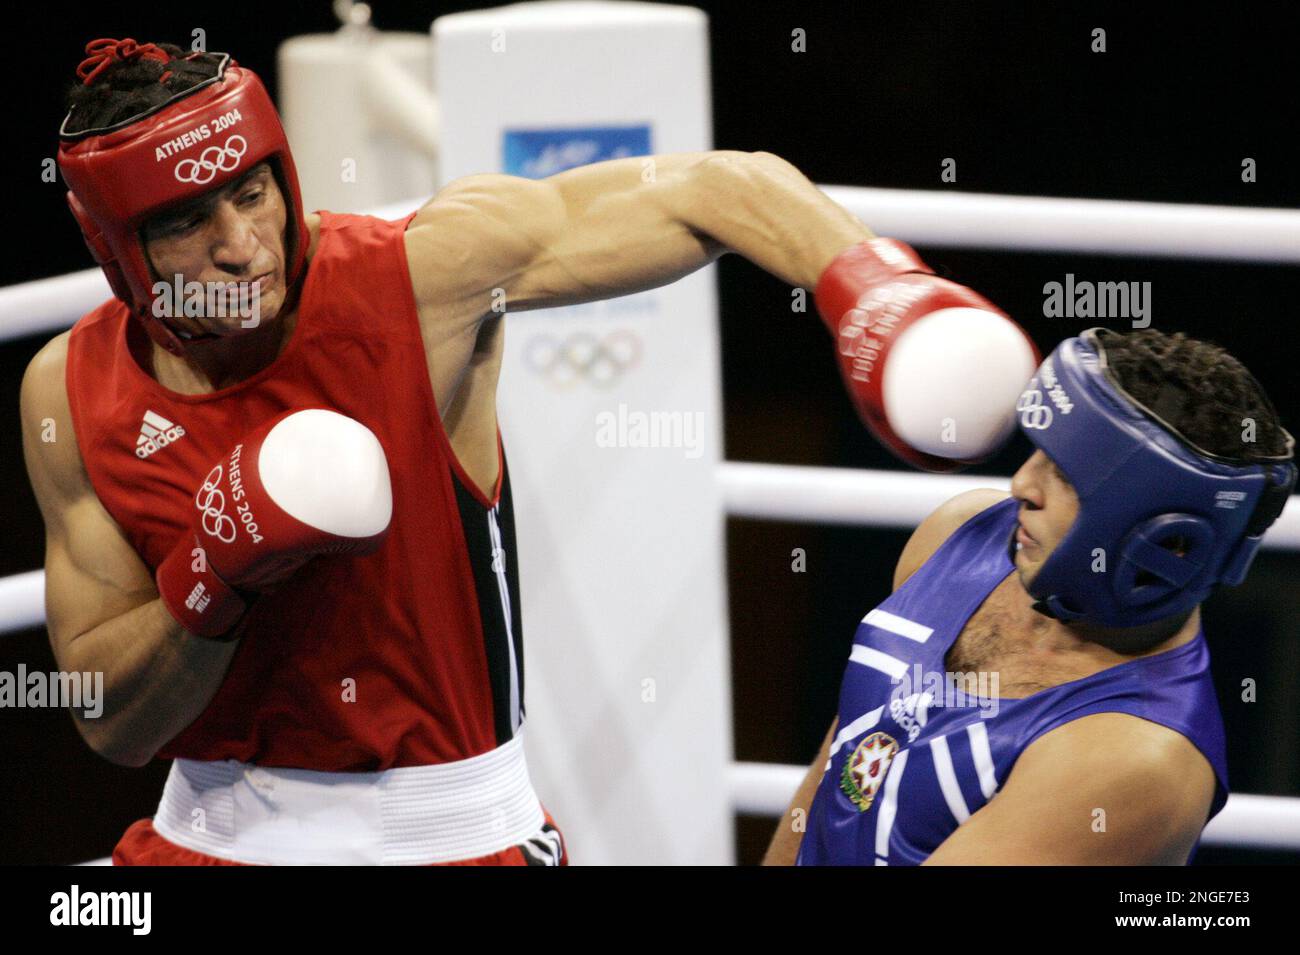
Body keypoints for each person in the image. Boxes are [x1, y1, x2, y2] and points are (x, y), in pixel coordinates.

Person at [23, 38, 1021, 865]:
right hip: (203, 839)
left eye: (252, 194)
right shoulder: (69, 390)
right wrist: (216, 574)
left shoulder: (421, 278)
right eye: (189, 223)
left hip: (451, 835)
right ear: (118, 248)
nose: (241, 244)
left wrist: (873, 289)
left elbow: (709, 190)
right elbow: (112, 723)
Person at [766, 327, 1296, 865]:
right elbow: (841, 770)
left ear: (1160, 535)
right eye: (1037, 452)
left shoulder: (1132, 757)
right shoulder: (959, 534)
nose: (1021, 485)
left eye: (1064, 473)